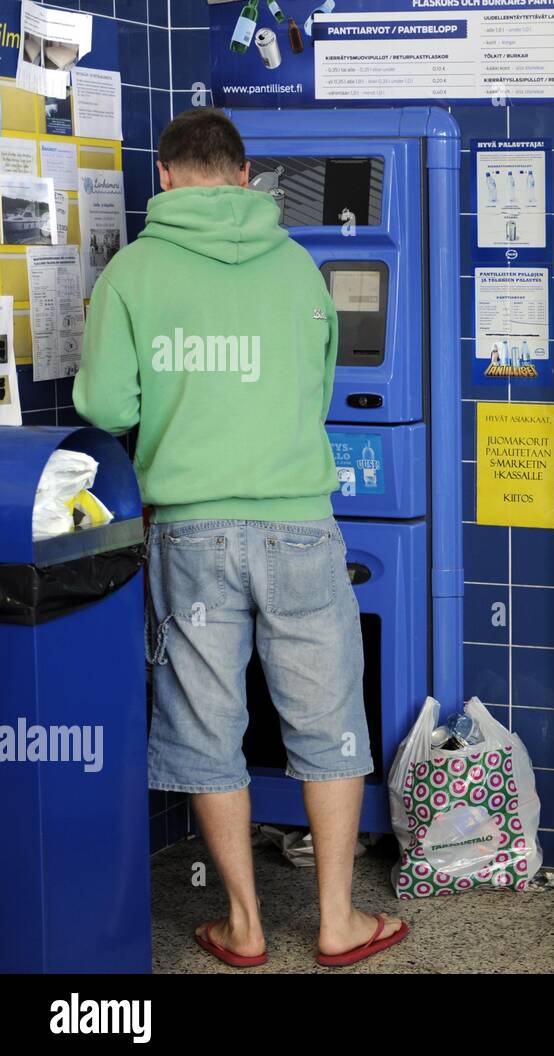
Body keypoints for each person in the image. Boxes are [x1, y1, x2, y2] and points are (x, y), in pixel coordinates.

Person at [73, 108, 407, 968]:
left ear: (163, 174)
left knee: (203, 723)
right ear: (246, 173)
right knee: (329, 719)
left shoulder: (132, 274)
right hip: (300, 524)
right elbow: (320, 384)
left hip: (190, 532)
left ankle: (244, 925)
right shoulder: (299, 268)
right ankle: (338, 919)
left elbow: (106, 406)